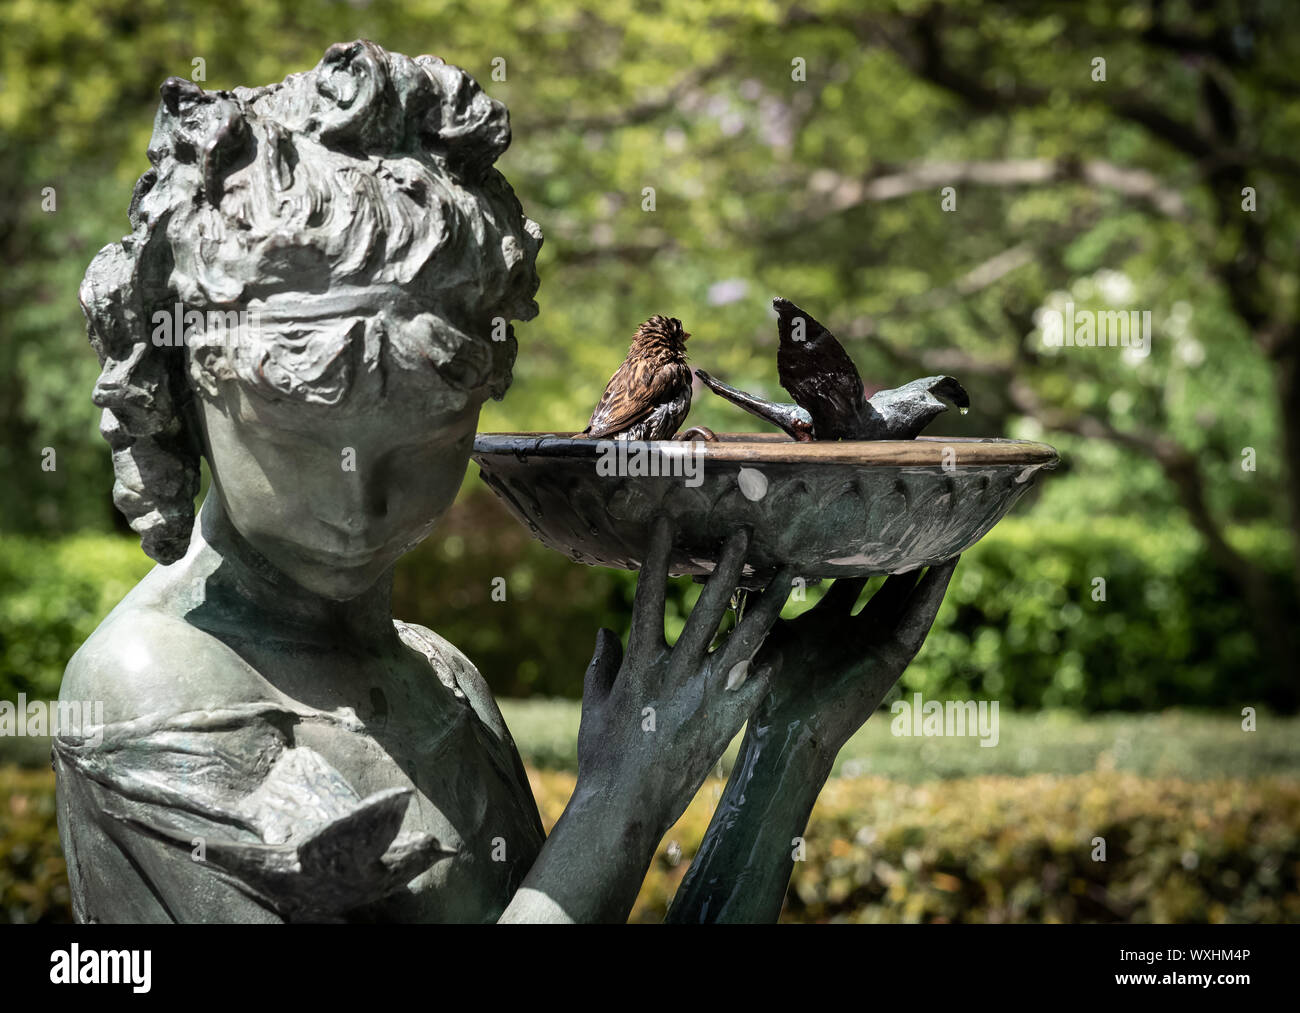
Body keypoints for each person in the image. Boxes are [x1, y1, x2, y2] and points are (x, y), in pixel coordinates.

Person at [57, 40, 955, 923]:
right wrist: (619, 805)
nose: (359, 503)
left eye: (424, 441)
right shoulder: (153, 685)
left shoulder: (444, 680)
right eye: (298, 445)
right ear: (184, 389)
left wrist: (784, 748)